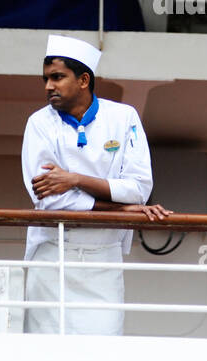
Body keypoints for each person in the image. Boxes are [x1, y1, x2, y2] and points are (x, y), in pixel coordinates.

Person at [20, 34, 167, 334]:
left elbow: (139, 188)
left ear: (84, 80)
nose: (49, 86)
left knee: (103, 354)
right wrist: (121, 208)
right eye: (46, 79)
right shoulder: (39, 123)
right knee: (46, 357)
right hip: (52, 258)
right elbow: (49, 200)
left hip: (104, 261)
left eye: (58, 77)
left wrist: (74, 179)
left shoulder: (124, 118)